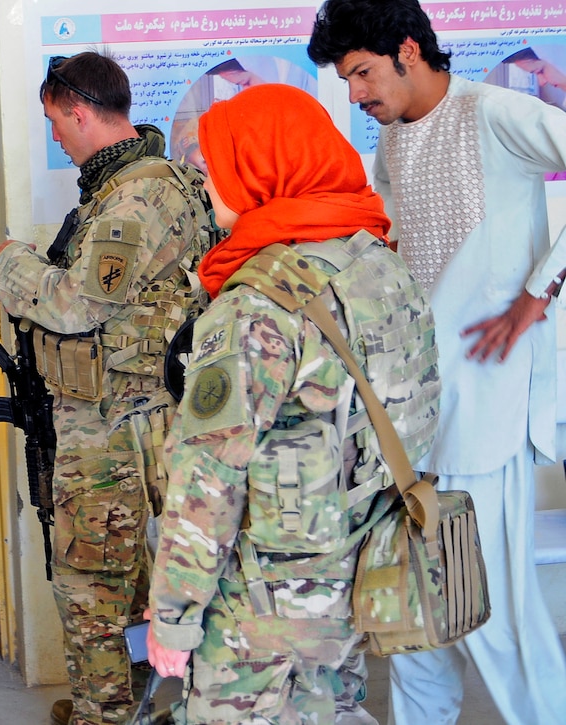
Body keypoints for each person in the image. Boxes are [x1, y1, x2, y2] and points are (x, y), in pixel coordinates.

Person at [145, 82, 439, 725]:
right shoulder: (377, 261)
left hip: (265, 602)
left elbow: (208, 480)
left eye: (216, 163)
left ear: (262, 167)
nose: (206, 180)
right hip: (361, 569)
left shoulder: (258, 304)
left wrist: (173, 616)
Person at [308, 2, 566, 723]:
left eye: (361, 73)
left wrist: (538, 291)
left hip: (483, 418)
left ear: (409, 50)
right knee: (414, 620)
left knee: (501, 623)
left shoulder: (492, 112)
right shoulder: (393, 140)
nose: (355, 94)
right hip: (412, 421)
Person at [0, 52, 211, 725]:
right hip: (144, 410)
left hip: (115, 418)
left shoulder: (133, 198)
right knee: (141, 571)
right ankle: (132, 704)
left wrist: (6, 265)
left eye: (56, 121)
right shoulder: (148, 184)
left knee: (91, 579)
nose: (55, 134)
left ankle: (104, 714)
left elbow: (78, 305)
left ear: (80, 111)